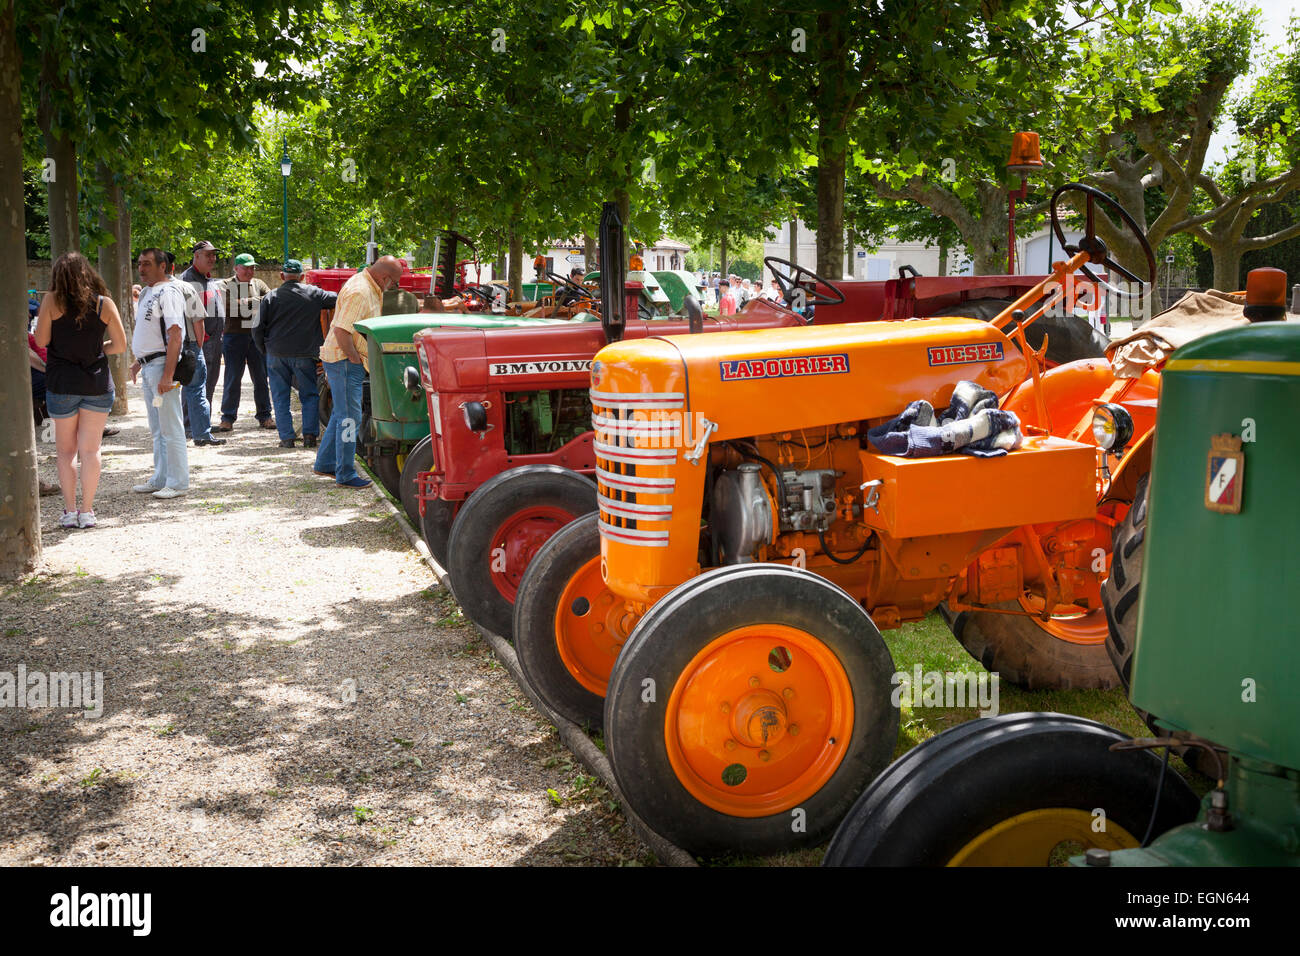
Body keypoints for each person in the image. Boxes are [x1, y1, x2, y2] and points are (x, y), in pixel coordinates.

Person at [33, 254, 128, 527]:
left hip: (62, 383)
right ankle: (87, 512)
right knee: (91, 450)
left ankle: (69, 511)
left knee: (65, 452)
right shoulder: (104, 304)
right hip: (96, 383)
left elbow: (41, 340)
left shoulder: (51, 301)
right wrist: (98, 350)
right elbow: (120, 346)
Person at [314, 256, 402, 487]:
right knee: (349, 418)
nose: (393, 287)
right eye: (393, 282)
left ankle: (325, 464)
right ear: (385, 277)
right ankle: (345, 473)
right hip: (346, 361)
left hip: (346, 360)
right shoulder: (361, 292)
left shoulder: (365, 284)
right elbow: (342, 331)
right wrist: (354, 358)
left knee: (341, 414)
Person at [254, 259, 337, 449]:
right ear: (302, 277)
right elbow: (339, 298)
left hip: (276, 354)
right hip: (304, 354)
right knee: (309, 394)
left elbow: (257, 328)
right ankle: (309, 437)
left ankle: (287, 439)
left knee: (280, 396)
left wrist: (264, 349)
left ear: (282, 276)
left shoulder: (271, 297)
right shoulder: (314, 294)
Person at [129, 248, 189, 499]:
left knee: (170, 426)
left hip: (161, 368)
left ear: (163, 266)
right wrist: (138, 362)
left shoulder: (169, 292)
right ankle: (161, 477)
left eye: (147, 264)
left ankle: (177, 482)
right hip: (150, 367)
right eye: (140, 264)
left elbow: (176, 334)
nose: (141, 269)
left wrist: (168, 374)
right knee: (157, 427)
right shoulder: (146, 293)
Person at [174, 247, 226, 447]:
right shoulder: (189, 280)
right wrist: (199, 341)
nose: (213, 258)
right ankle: (190, 426)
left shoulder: (208, 279)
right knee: (194, 385)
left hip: (212, 340)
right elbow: (191, 315)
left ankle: (201, 423)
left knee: (207, 384)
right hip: (198, 341)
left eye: (214, 255)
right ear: (196, 256)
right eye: (208, 255)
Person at [216, 253, 274, 431]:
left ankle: (265, 415)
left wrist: (243, 303)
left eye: (252, 267)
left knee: (261, 378)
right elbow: (230, 307)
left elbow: (271, 301)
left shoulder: (259, 284)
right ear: (236, 268)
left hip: (257, 337)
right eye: (246, 267)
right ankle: (228, 417)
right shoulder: (225, 285)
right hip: (234, 337)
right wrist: (257, 302)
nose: (250, 271)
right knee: (233, 377)